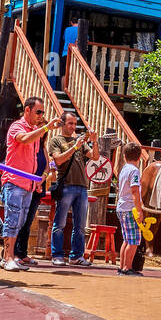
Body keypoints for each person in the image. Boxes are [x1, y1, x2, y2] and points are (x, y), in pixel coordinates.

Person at [1, 97, 57, 272]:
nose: (41, 116)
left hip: (28, 184)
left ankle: (10, 257)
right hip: (14, 182)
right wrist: (45, 128)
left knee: (20, 222)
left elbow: (37, 159)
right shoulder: (17, 126)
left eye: (42, 112)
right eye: (38, 112)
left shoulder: (34, 130)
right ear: (27, 110)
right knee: (12, 219)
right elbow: (23, 140)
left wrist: (39, 179)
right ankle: (8, 257)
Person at [46, 111, 99, 267]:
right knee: (59, 223)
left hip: (82, 186)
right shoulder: (56, 140)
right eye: (70, 123)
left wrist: (94, 142)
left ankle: (76, 256)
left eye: (75, 124)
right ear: (62, 124)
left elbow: (95, 157)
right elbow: (59, 160)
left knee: (80, 225)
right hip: (66, 185)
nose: (73, 126)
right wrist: (74, 147)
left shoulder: (79, 141)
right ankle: (57, 255)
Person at [116, 142, 146, 276]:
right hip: (130, 208)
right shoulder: (134, 171)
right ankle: (127, 268)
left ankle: (122, 266)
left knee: (127, 239)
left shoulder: (124, 169)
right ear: (139, 157)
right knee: (134, 240)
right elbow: (135, 191)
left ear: (124, 156)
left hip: (122, 207)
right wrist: (139, 210)